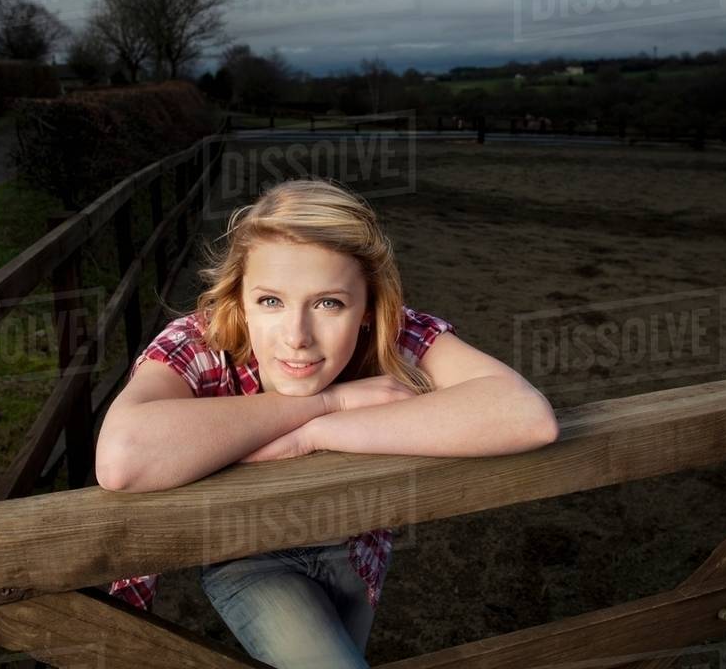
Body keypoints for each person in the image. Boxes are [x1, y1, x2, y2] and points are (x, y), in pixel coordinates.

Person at [94, 177, 559, 668]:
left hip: (357, 553)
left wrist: (314, 436)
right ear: (239, 298)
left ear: (367, 307)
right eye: (270, 301)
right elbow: (124, 458)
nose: (297, 337)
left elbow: (525, 415)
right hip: (249, 551)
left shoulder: (391, 331)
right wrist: (327, 404)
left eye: (328, 303)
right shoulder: (199, 341)